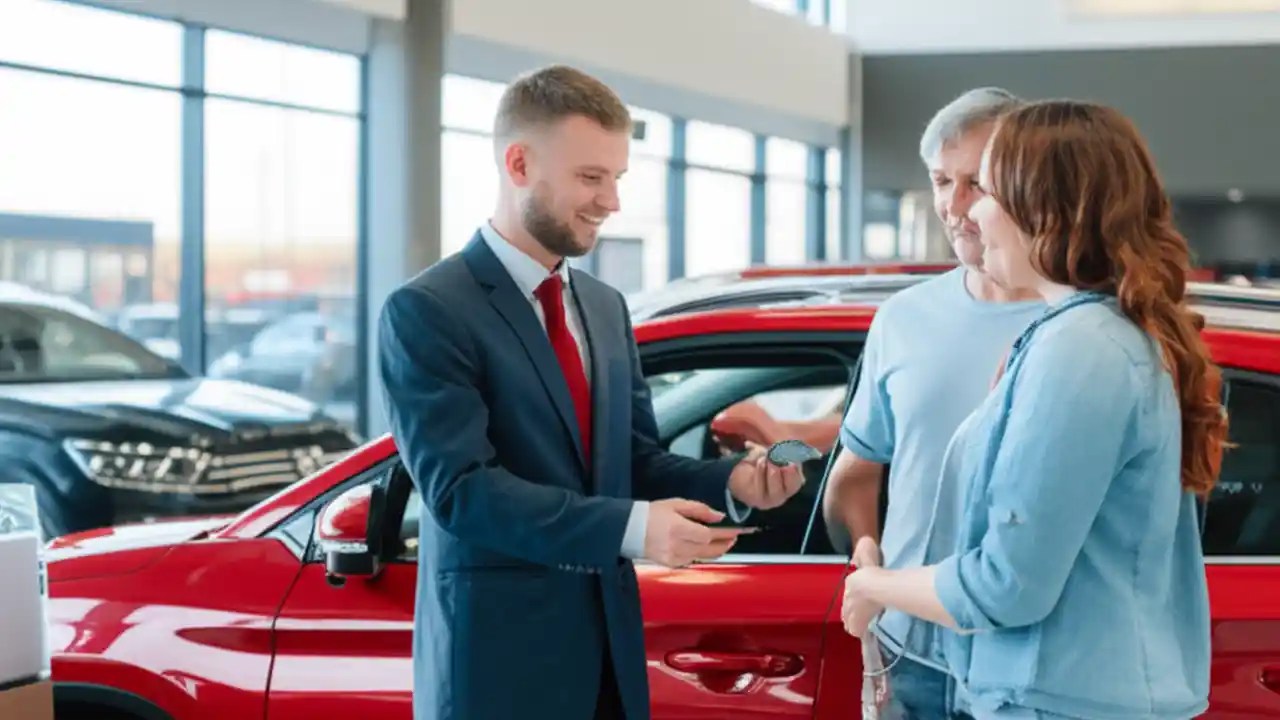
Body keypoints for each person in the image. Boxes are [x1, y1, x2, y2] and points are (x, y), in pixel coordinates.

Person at [377, 64, 804, 720]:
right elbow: (462, 492)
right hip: (496, 676)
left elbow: (634, 461)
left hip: (608, 663)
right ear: (518, 163)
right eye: (590, 178)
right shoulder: (429, 310)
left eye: (616, 178)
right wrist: (636, 529)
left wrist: (731, 487)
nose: (611, 202)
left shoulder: (603, 307)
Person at [840, 100, 1228, 720]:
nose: (969, 211)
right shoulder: (1086, 334)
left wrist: (874, 586)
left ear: (1043, 210)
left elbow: (1008, 585)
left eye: (987, 189)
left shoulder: (1081, 349)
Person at [819, 88, 1045, 719]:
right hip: (907, 658)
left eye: (977, 182)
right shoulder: (904, 319)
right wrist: (866, 560)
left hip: (1029, 667)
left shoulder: (1081, 328)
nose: (954, 205)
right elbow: (855, 478)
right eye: (943, 181)